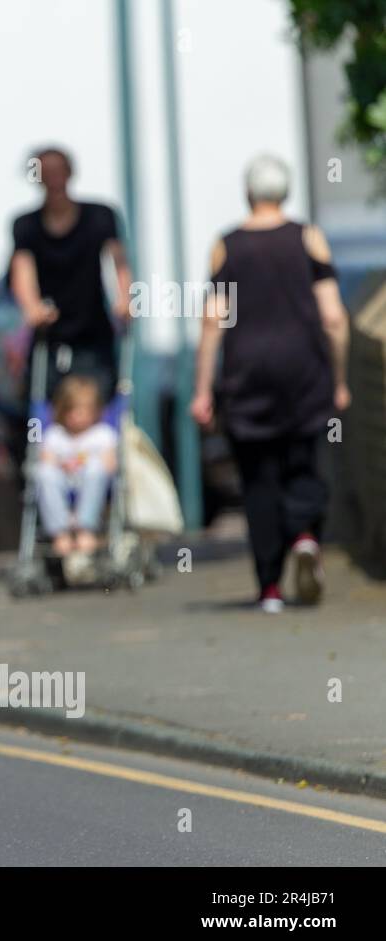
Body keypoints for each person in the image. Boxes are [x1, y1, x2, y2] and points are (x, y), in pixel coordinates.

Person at [191, 155, 350, 613]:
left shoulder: (227, 245)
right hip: (304, 372)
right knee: (305, 463)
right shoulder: (308, 238)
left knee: (258, 479)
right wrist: (338, 379)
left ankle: (269, 588)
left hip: (247, 376)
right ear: (287, 192)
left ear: (248, 193)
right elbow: (334, 316)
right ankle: (304, 534)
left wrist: (203, 389)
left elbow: (212, 319)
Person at [9, 147, 132, 400]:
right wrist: (32, 308)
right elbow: (22, 270)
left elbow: (118, 261)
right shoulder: (26, 226)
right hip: (50, 333)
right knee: (48, 403)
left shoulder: (100, 216)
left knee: (99, 399)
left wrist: (125, 298)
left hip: (94, 330)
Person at [36, 375, 117, 579]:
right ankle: (60, 531)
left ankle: (85, 528)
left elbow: (109, 464)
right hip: (64, 485)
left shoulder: (102, 434)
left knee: (95, 467)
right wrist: (63, 465)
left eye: (85, 411)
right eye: (74, 411)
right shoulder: (55, 435)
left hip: (92, 486)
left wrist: (86, 461)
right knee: (43, 472)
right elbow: (47, 460)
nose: (79, 416)